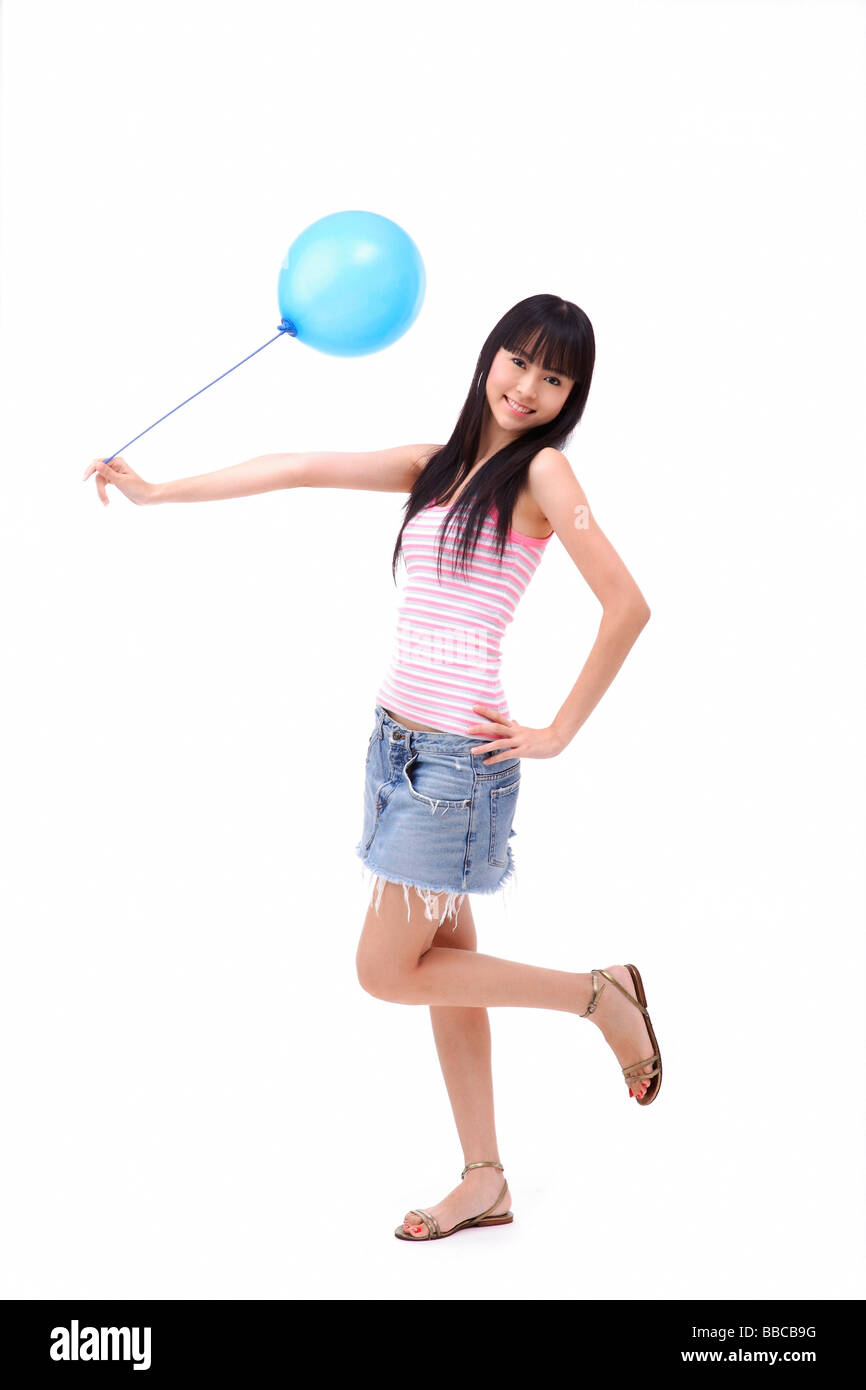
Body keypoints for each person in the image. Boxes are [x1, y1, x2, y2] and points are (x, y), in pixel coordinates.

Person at [83, 293, 662, 1244]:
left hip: (456, 766)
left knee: (387, 973)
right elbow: (296, 467)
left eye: (555, 377)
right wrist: (156, 491)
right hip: (394, 748)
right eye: (519, 361)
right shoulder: (431, 467)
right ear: (490, 359)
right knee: (452, 971)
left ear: (571, 395)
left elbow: (629, 606)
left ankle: (601, 996)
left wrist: (555, 731)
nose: (529, 388)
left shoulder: (546, 474)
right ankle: (486, 1179)